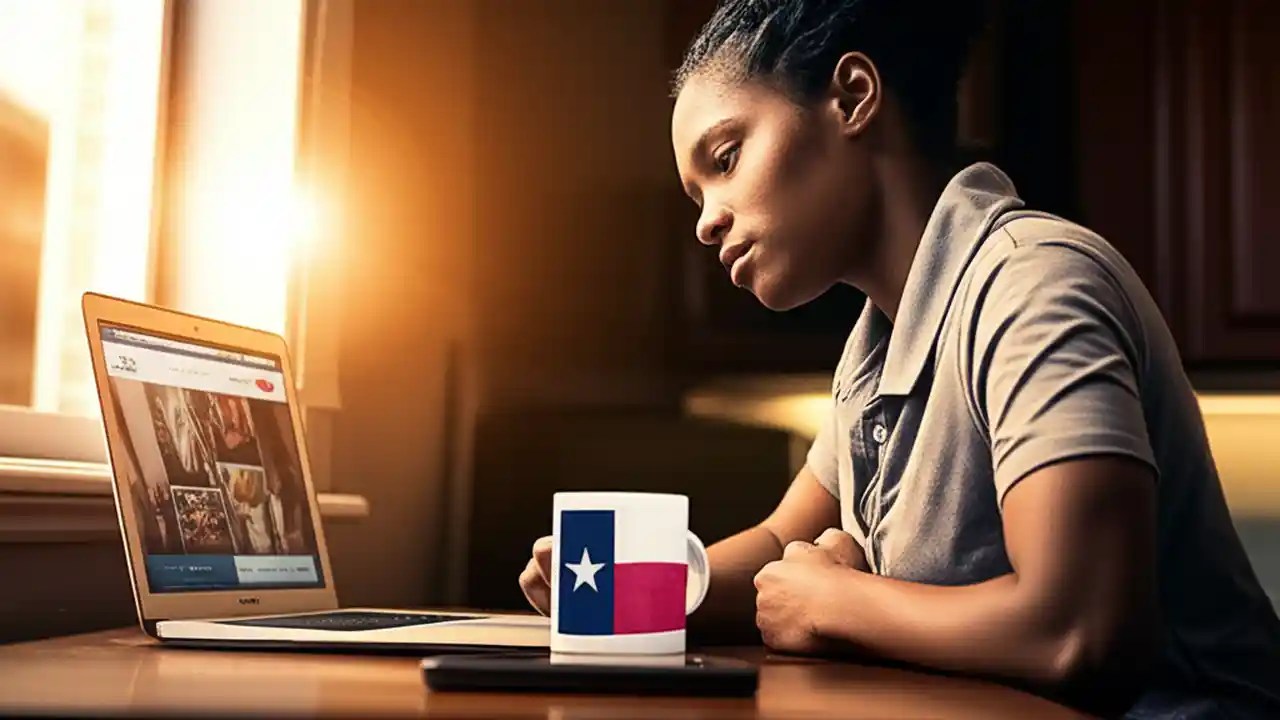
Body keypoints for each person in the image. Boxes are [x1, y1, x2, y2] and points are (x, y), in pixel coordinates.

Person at [519, 1, 1280, 717]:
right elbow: (784, 547)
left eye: (725, 157)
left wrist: (834, 605)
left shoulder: (1032, 284)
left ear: (852, 96)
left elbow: (1080, 630)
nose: (707, 223)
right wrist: (618, 589)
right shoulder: (877, 343)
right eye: (694, 196)